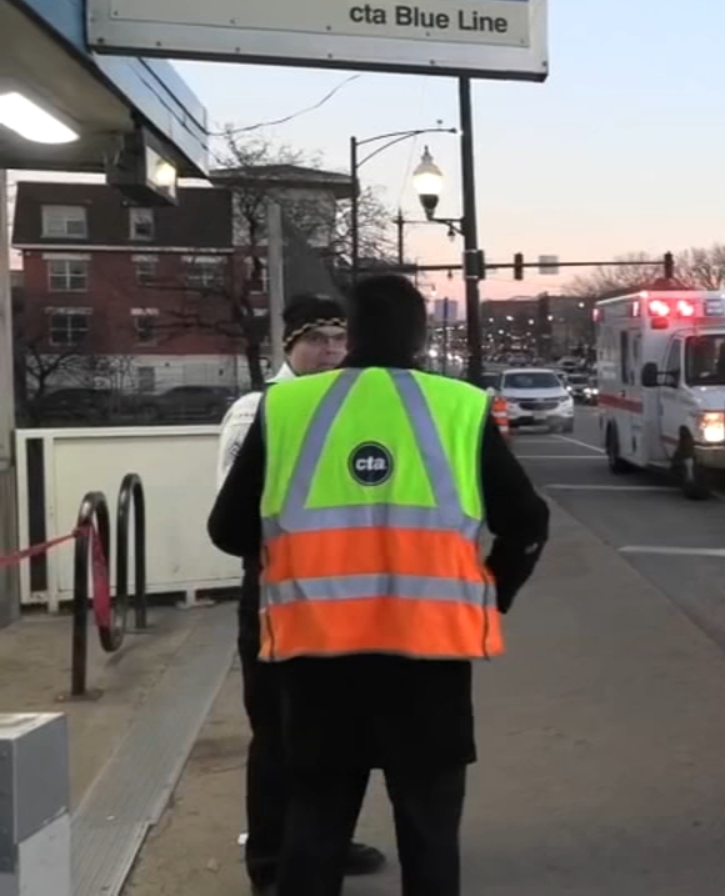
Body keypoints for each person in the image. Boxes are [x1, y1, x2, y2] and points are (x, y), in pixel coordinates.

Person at [208, 274, 550, 896]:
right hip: (430, 659)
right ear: (420, 337)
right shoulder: (460, 407)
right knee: (430, 831)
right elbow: (526, 522)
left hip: (316, 655)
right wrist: (490, 593)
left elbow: (228, 529)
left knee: (315, 825)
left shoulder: (285, 408)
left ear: (354, 332)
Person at [214, 295, 386, 895]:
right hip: (275, 596)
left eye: (341, 341)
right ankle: (269, 862)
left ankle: (325, 845)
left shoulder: (348, 408)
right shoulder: (256, 410)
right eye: (318, 340)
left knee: (335, 734)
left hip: (337, 599)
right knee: (276, 735)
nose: (332, 352)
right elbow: (233, 517)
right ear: (289, 345)